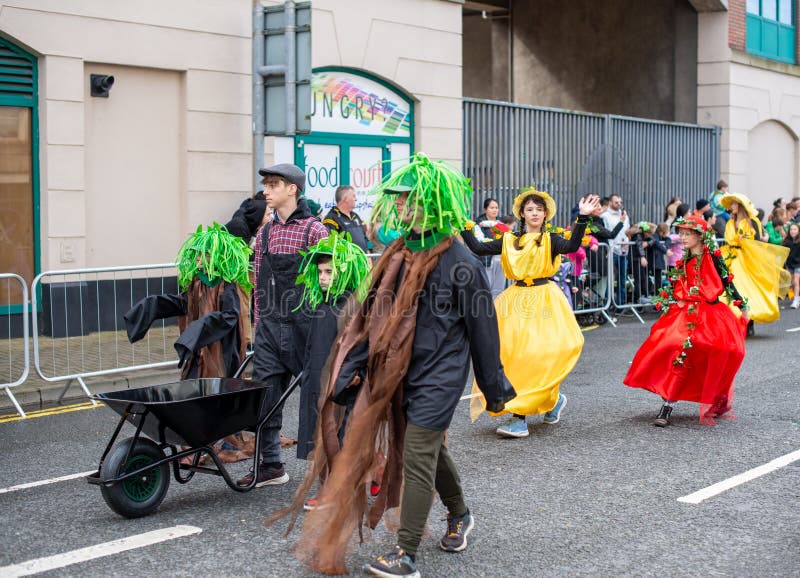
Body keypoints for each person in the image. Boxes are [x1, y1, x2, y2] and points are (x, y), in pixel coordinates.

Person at [275, 153, 515, 578]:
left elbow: (484, 332)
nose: (400, 205)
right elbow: (369, 319)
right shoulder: (397, 255)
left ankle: (405, 554)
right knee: (430, 449)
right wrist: (354, 366)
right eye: (398, 198)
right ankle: (460, 513)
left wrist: (494, 390)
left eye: (409, 198)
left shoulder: (462, 264)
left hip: (441, 375)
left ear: (433, 204)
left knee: (418, 452)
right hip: (396, 372)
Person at [462, 188, 600, 437]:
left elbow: (572, 245)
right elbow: (478, 248)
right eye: (530, 209)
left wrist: (582, 217)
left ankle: (527, 413)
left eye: (539, 209)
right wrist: (460, 224)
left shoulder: (551, 239)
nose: (534, 213)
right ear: (522, 214)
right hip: (515, 302)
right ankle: (543, 404)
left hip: (544, 299)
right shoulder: (508, 240)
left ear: (545, 214)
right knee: (512, 355)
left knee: (537, 354)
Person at [124, 223, 254, 461]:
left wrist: (200, 328)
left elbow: (229, 316)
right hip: (199, 349)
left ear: (216, 257)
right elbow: (184, 303)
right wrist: (152, 306)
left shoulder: (228, 284)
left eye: (204, 255)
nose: (198, 260)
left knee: (221, 393)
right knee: (194, 392)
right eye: (197, 255)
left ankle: (228, 439)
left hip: (221, 351)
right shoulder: (196, 281)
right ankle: (199, 439)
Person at [238, 163, 329, 488]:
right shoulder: (265, 233)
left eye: (273, 185)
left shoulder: (314, 231)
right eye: (265, 185)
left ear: (292, 189)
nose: (266, 191)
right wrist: (259, 325)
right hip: (270, 329)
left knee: (320, 400)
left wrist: (324, 334)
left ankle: (330, 472)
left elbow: (326, 285)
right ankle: (271, 465)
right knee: (265, 397)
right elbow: (258, 284)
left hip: (306, 330)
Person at [625, 215, 748, 426]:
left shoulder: (713, 256)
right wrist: (670, 301)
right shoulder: (683, 261)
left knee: (725, 351)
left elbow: (727, 281)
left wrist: (742, 305)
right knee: (675, 349)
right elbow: (677, 286)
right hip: (686, 312)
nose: (682, 238)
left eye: (687, 234)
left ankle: (717, 398)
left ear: (700, 236)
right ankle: (667, 405)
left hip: (710, 313)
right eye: (681, 233)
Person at [719, 192, 790, 335]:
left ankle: (749, 322)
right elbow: (728, 239)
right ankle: (734, 320)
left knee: (749, 289)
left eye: (734, 204)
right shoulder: (730, 223)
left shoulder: (752, 222)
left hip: (748, 257)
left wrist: (745, 240)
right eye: (731, 204)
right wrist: (737, 239)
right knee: (730, 288)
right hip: (732, 257)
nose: (732, 206)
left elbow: (757, 241)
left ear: (740, 206)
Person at [603, 194, 630, 309]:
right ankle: (607, 304)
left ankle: (621, 304)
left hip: (623, 250)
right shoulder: (605, 216)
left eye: (620, 202)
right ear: (610, 203)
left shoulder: (624, 215)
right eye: (616, 202)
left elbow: (627, 231)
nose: (619, 204)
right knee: (610, 278)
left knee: (622, 278)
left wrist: (627, 242)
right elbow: (608, 233)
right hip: (611, 249)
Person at [322, 185, 369, 251]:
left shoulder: (355, 216)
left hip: (363, 256)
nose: (356, 199)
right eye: (353, 196)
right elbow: (332, 245)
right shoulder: (331, 219)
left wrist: (368, 254)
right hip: (346, 257)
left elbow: (364, 240)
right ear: (346, 199)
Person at [783, 222, 800, 309]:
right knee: (793, 283)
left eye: (795, 229)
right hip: (790, 264)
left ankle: (796, 300)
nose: (793, 231)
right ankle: (797, 297)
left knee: (796, 281)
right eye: (791, 229)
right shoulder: (787, 242)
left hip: (798, 264)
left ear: (798, 231)